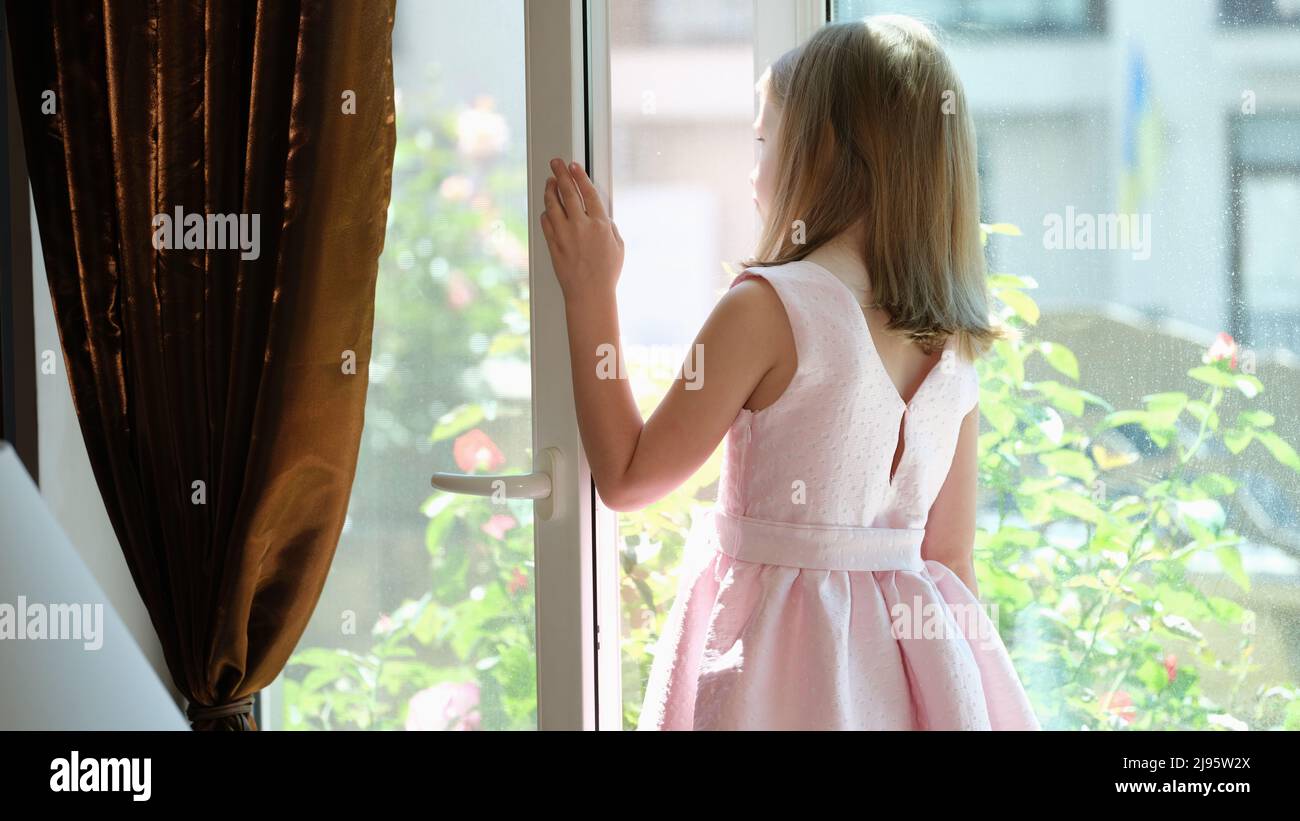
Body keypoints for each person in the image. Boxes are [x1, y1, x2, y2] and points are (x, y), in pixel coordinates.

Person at [539, 14, 1040, 731]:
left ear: (825, 149)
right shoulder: (954, 344)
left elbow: (627, 474)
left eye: (764, 138)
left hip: (772, 679)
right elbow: (950, 558)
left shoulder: (770, 308)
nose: (752, 169)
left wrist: (590, 292)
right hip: (906, 682)